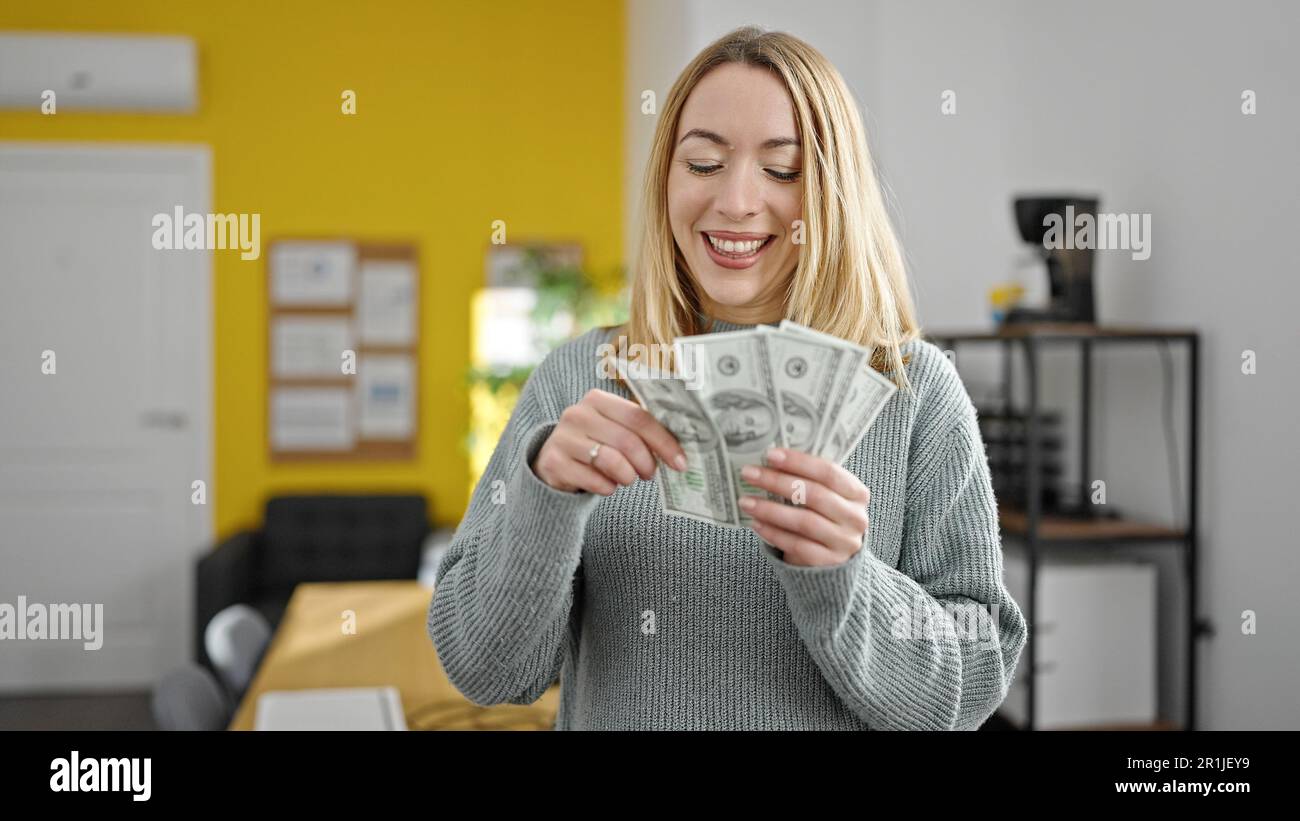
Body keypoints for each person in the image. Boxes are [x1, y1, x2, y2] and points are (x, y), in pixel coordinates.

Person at [428, 25, 1027, 730]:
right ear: (666, 181)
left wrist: (846, 581)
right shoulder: (580, 380)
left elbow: (974, 676)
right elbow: (485, 669)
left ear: (833, 192)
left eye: (782, 169)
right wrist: (545, 500)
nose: (737, 201)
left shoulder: (916, 390)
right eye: (705, 163)